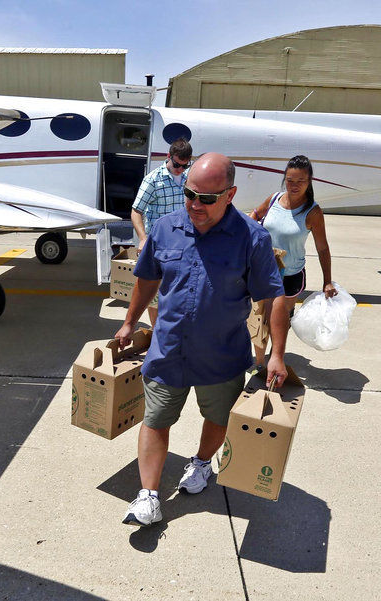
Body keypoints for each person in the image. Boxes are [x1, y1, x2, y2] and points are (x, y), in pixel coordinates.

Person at [114, 153, 290, 527]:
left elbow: (273, 297)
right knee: (156, 418)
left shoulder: (252, 239)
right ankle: (148, 496)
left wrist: (276, 353)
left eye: (207, 199)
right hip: (168, 349)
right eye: (189, 194)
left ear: (230, 194)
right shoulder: (164, 228)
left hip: (222, 355)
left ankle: (200, 463)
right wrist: (129, 322)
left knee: (216, 417)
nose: (195, 205)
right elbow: (147, 278)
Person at [249, 155, 335, 367]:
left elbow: (322, 248)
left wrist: (327, 281)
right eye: (290, 180)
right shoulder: (273, 200)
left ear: (309, 182)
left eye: (300, 181)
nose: (294, 186)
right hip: (263, 270)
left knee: (277, 322)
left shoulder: (312, 212)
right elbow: (255, 214)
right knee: (259, 319)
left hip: (291, 276)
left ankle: (275, 359)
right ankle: (260, 365)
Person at [130, 138, 193, 326]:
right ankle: (157, 333)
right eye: (176, 165)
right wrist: (143, 239)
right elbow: (136, 211)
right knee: (155, 292)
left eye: (184, 165)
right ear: (168, 156)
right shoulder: (153, 180)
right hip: (160, 244)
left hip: (183, 242)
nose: (180, 169)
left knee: (179, 290)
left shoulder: (189, 177)